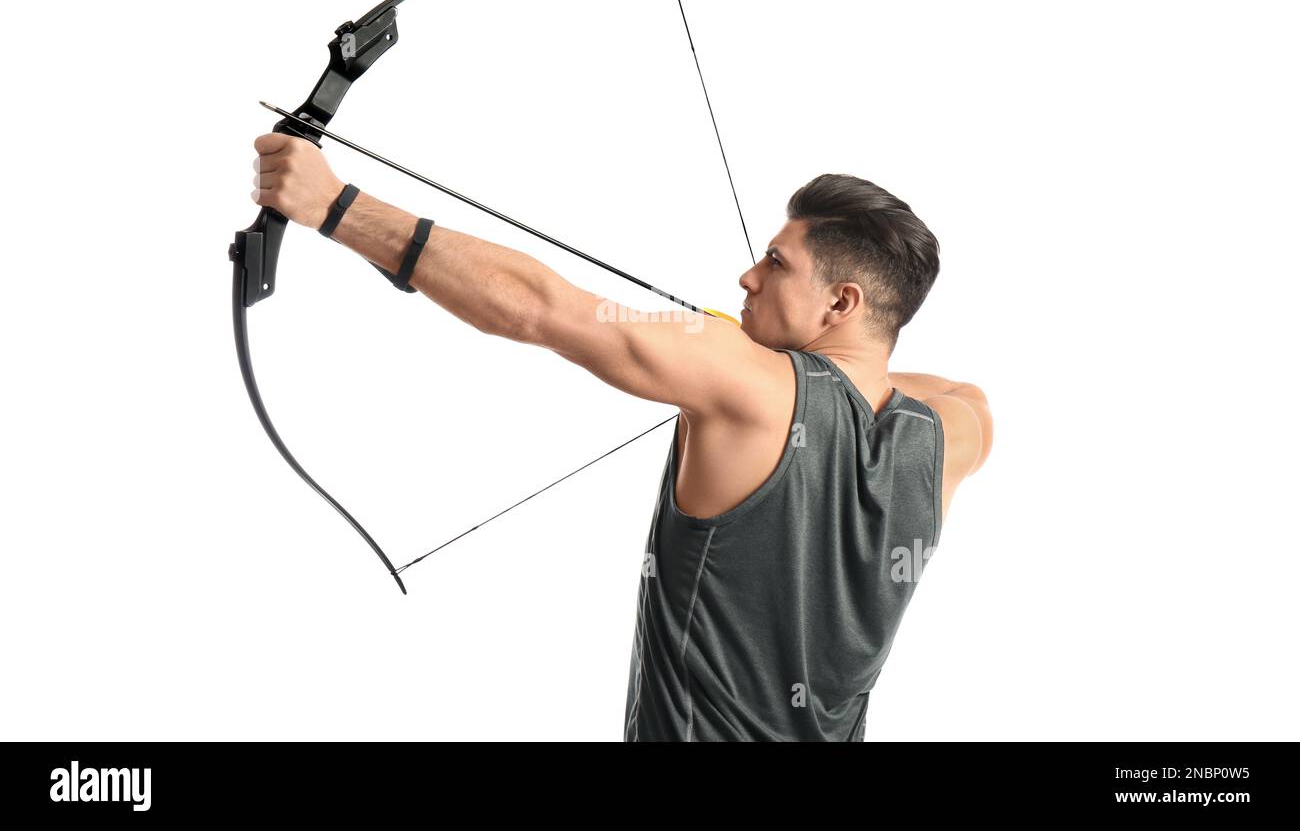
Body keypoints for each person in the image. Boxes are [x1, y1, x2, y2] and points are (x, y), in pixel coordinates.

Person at [251, 134, 993, 741]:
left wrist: (334, 206)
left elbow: (541, 309)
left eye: (776, 263)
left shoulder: (750, 384)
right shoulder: (953, 436)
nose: (748, 277)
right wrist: (782, 364)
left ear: (841, 300)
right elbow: (939, 391)